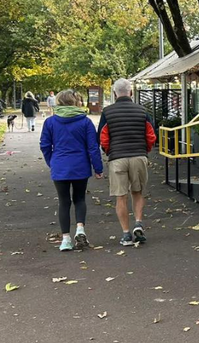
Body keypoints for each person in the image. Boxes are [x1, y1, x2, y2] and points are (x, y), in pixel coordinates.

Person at [40, 90, 104, 251]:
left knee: (64, 202)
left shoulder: (50, 122)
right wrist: (98, 168)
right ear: (75, 102)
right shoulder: (85, 122)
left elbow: (45, 145)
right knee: (80, 198)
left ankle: (66, 239)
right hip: (80, 165)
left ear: (58, 102)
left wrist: (52, 162)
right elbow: (93, 147)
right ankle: (80, 228)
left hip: (60, 165)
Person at [98, 78, 156, 246]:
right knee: (137, 193)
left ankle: (125, 234)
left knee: (120, 197)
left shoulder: (107, 112)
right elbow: (151, 135)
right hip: (138, 156)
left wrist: (109, 151)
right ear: (131, 92)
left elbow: (102, 137)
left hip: (117, 158)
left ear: (115, 93)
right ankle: (138, 223)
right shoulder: (142, 111)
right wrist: (145, 151)